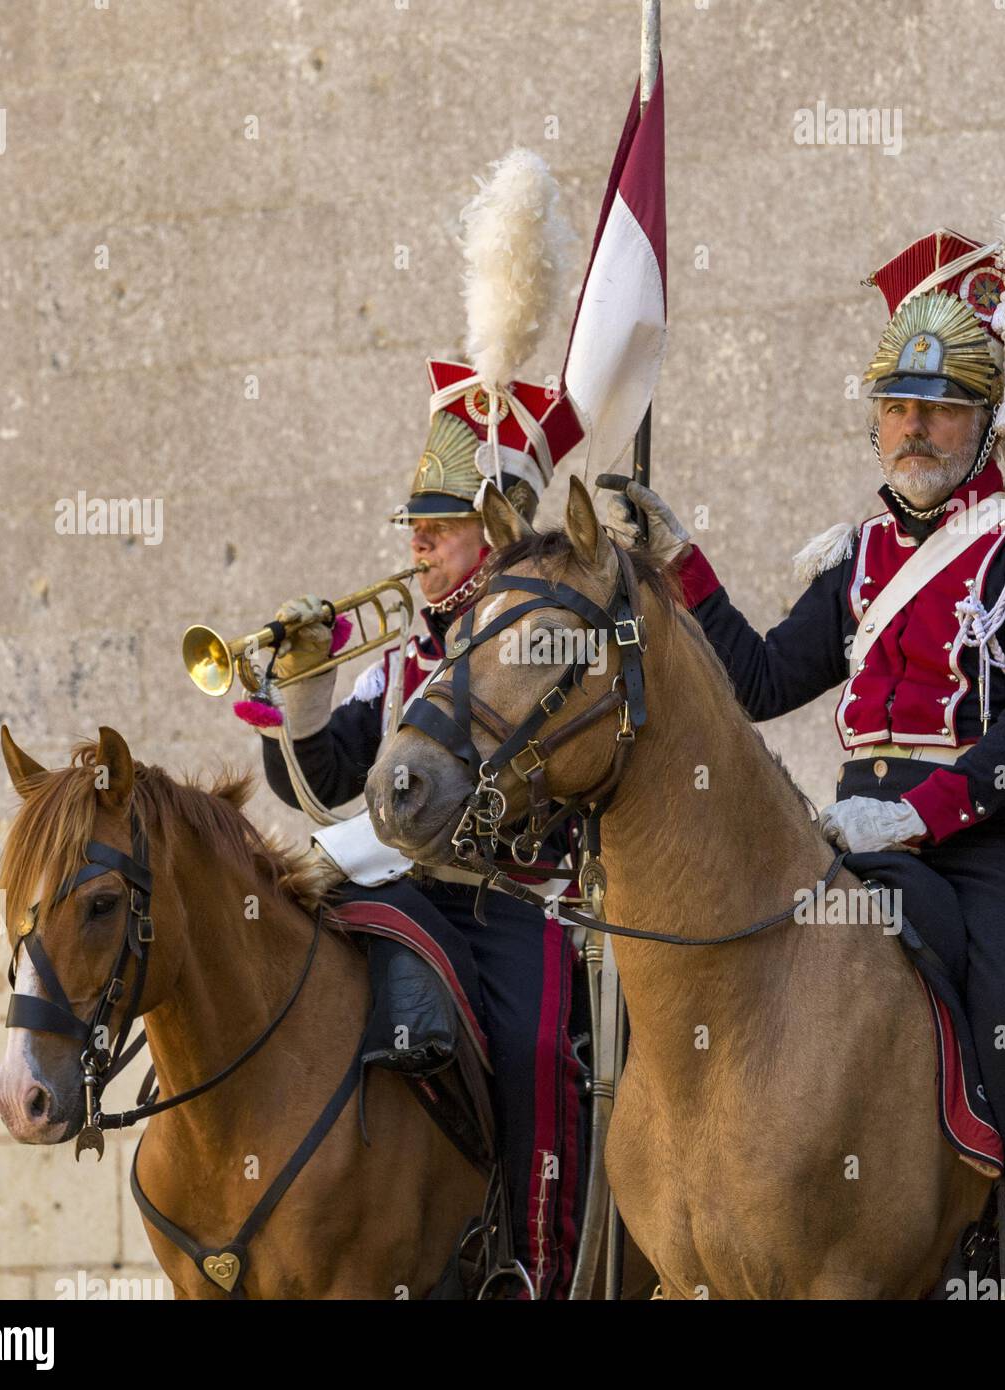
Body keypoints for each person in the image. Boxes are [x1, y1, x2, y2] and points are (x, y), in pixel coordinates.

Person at [615, 99, 1005, 1299]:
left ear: (988, 419)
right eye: (893, 404)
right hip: (851, 837)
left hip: (995, 847)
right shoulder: (860, 558)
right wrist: (684, 566)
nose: (909, 427)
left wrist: (917, 813)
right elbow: (763, 679)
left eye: (936, 407)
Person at [231, 149, 588, 1297]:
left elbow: (483, 788)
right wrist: (303, 690)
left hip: (519, 897)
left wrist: (346, 846)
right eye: (416, 524)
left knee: (535, 1048)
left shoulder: (534, 639)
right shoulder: (408, 645)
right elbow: (328, 779)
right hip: (405, 891)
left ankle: (537, 1256)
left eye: (437, 527)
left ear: (494, 527)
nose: (416, 546)